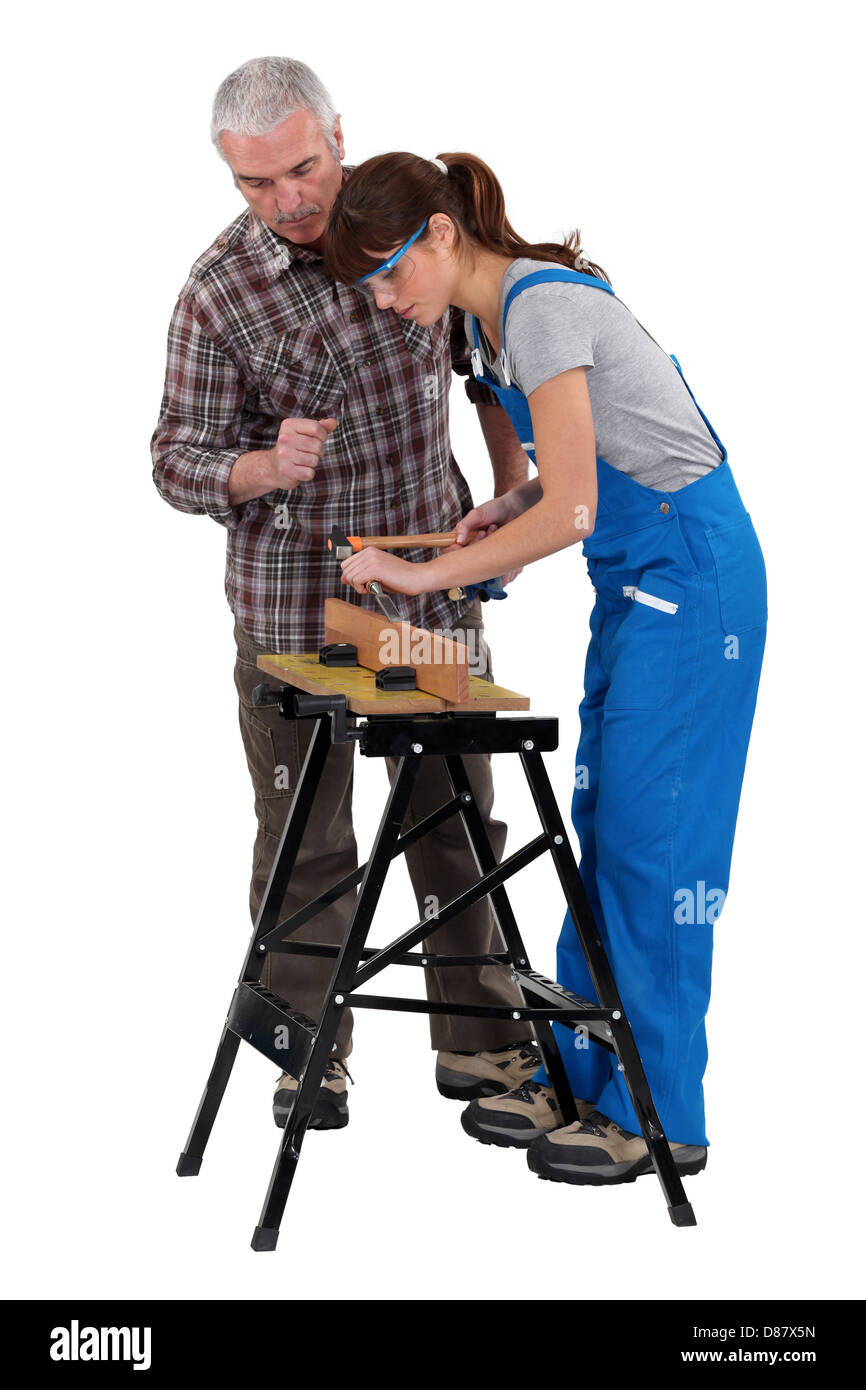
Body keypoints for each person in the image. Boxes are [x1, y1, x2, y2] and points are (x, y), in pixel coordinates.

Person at [323, 151, 767, 1185]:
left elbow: (573, 511)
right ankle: (579, 1073)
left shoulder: (540, 311)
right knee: (600, 825)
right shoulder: (483, 329)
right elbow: (557, 491)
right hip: (637, 585)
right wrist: (494, 511)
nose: (387, 302)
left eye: (388, 274)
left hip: (694, 581)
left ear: (439, 233)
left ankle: (658, 1112)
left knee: (657, 847)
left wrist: (410, 566)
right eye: (367, 288)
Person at [151, 63, 542, 1133]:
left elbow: (487, 357)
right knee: (303, 842)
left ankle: (485, 1047)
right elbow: (174, 461)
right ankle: (303, 1051)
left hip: (426, 594)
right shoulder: (216, 290)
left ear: (338, 134)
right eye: (255, 183)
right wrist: (259, 467)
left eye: (302, 167)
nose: (286, 199)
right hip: (293, 609)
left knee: (455, 818)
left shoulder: (409, 221)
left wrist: (511, 489)